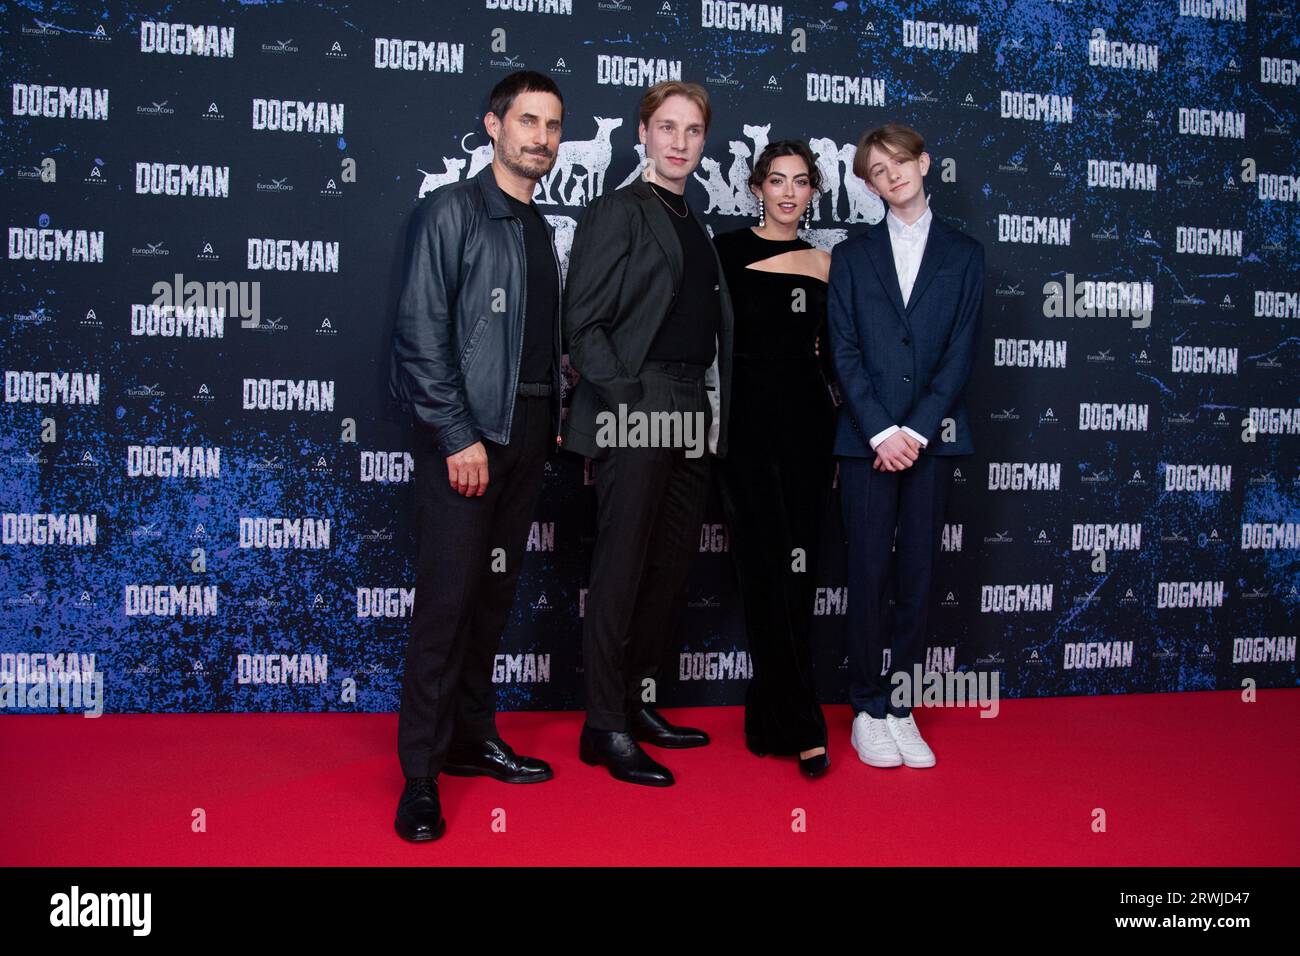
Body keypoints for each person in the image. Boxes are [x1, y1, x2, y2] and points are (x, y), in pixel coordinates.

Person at [388, 71, 565, 841]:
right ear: (494, 126)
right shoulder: (452, 211)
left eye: (553, 125)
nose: (542, 138)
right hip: (470, 438)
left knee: (492, 600)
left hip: (527, 435)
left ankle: (469, 737)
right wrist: (458, 434)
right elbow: (420, 333)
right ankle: (420, 777)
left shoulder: (539, 226)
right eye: (528, 121)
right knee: (447, 605)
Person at [563, 81, 734, 787]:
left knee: (668, 568)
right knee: (623, 566)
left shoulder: (695, 221)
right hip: (640, 400)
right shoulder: (620, 209)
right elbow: (583, 324)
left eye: (692, 131)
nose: (678, 141)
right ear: (642, 133)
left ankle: (638, 703)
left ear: (704, 141)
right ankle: (603, 725)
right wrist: (628, 400)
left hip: (692, 405)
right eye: (666, 127)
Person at [827, 122, 983, 771]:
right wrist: (880, 432)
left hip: (931, 442)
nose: (891, 177)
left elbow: (960, 352)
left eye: (899, 163)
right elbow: (844, 351)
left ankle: (901, 706)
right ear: (869, 185)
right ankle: (867, 708)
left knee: (919, 575)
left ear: (924, 162)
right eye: (877, 171)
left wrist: (915, 431)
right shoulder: (851, 255)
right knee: (867, 573)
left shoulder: (965, 254)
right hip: (866, 442)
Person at [712, 141, 835, 778]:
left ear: (813, 191)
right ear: (757, 186)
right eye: (778, 180)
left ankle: (768, 714)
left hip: (808, 427)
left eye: (801, 182)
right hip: (744, 428)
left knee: (799, 573)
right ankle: (804, 721)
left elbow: (835, 357)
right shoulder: (724, 252)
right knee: (762, 570)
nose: (789, 193)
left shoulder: (825, 263)